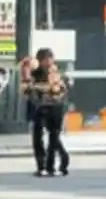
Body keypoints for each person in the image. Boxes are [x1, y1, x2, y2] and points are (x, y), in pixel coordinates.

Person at [21, 49, 70, 177]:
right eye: (44, 60)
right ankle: (41, 165)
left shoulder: (56, 73)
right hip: (39, 108)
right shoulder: (34, 74)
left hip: (55, 107)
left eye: (49, 59)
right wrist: (26, 75)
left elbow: (58, 89)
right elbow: (25, 90)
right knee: (38, 137)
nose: (47, 62)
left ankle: (52, 165)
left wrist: (40, 87)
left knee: (54, 138)